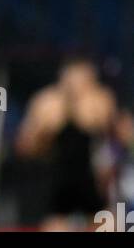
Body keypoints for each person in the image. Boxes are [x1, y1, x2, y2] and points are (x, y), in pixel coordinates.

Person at [15, 57, 118, 228]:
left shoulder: (100, 100)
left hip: (88, 177)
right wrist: (43, 133)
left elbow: (114, 136)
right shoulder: (45, 103)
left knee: (108, 223)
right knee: (56, 224)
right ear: (63, 77)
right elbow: (25, 146)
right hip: (56, 177)